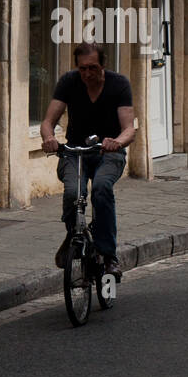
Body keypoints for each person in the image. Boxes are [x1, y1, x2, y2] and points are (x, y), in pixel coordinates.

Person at [39, 43, 135, 282]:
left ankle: (109, 255)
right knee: (73, 193)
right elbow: (48, 121)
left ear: (103, 65)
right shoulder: (69, 82)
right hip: (76, 151)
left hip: (108, 152)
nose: (87, 74)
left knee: (101, 188)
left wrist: (117, 142)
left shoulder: (119, 84)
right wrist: (49, 138)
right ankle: (74, 236)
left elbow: (129, 129)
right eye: (82, 69)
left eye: (92, 68)